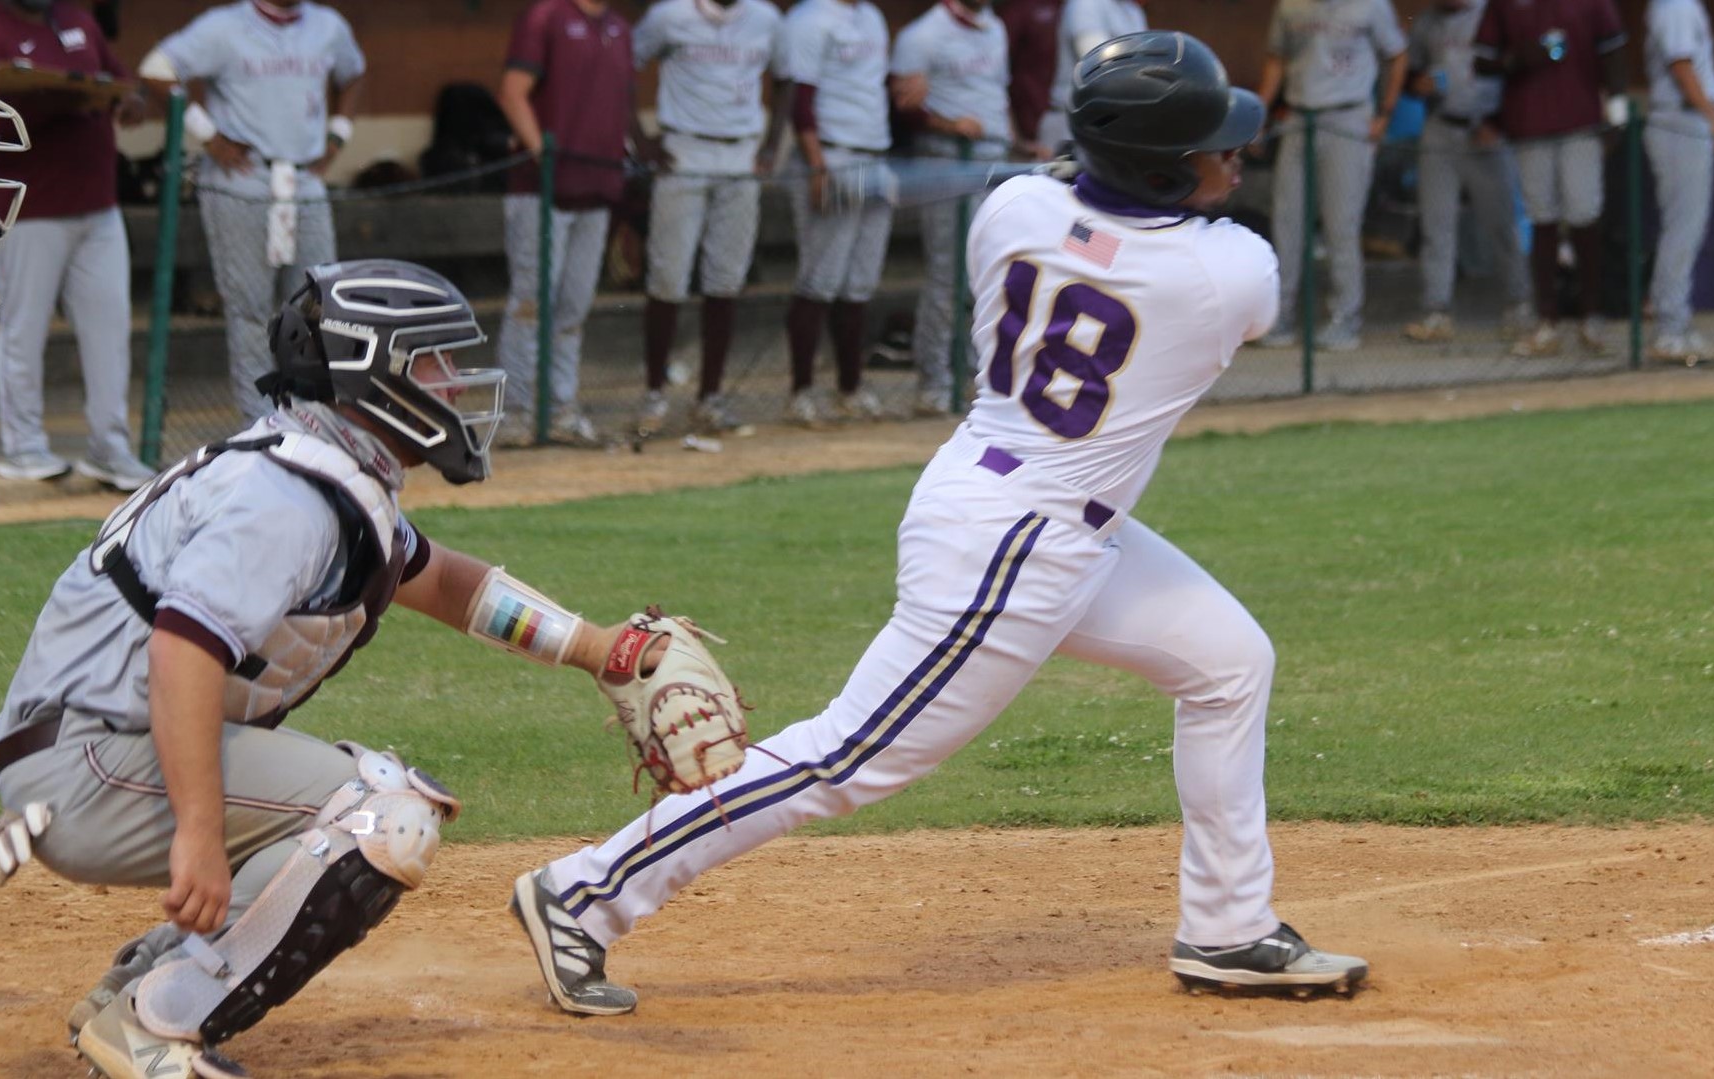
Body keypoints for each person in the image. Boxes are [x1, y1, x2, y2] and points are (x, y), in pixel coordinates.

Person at [508, 32, 1370, 1018]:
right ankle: (584, 890)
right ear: (1160, 165)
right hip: (1015, 544)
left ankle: (1225, 928)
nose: (1234, 157)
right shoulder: (1227, 273)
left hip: (1012, 501)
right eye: (1214, 145)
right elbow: (1160, 230)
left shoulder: (1010, 208)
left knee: (1227, 660)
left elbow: (1064, 196)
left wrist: (1091, 169)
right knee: (845, 758)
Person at [0, 258, 700, 1079]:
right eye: (436, 362)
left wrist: (597, 649)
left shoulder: (329, 474)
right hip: (87, 765)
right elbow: (182, 650)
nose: (457, 384)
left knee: (364, 800)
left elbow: (449, 584)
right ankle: (154, 1022)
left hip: (97, 752)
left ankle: (139, 988)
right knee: (381, 814)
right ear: (375, 371)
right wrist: (200, 838)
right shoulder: (282, 499)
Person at [139, 0, 365, 425]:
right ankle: (261, 423)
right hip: (245, 176)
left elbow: (354, 74)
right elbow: (156, 69)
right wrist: (208, 135)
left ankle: (313, 417)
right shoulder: (225, 26)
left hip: (304, 175)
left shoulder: (328, 24)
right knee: (249, 309)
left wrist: (338, 135)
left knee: (321, 302)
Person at [0, 0, 151, 490]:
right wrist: (50, 102)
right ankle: (24, 447)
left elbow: (122, 81)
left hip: (98, 203)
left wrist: (129, 101)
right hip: (27, 209)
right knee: (24, 329)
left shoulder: (77, 21)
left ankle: (110, 449)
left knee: (108, 330)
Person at [492, 0, 657, 447]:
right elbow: (512, 91)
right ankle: (516, 412)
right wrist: (541, 153)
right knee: (531, 300)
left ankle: (562, 406)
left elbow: (623, 104)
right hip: (541, 189)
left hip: (598, 186)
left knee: (573, 305)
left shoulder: (620, 29)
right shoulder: (545, 15)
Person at [631, 0, 781, 440]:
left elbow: (788, 80)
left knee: (726, 280)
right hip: (684, 150)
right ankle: (654, 395)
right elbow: (627, 66)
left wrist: (771, 145)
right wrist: (640, 141)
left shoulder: (766, 17)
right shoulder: (668, 15)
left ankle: (709, 398)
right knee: (667, 279)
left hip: (741, 153)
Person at [892, 0, 1024, 418]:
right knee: (947, 275)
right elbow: (904, 112)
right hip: (948, 160)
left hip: (991, 158)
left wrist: (1017, 140)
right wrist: (950, 125)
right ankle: (934, 383)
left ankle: (973, 377)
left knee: (987, 276)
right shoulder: (922, 35)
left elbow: (995, 96)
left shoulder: (994, 27)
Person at [1474, 0, 1628, 359]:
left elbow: (1613, 48)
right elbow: (1481, 58)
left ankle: (1592, 318)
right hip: (1529, 124)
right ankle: (1547, 321)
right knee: (1541, 218)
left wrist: (1617, 113)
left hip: (1581, 122)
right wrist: (1515, 59)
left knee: (1584, 214)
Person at [1257, 0, 1408, 351]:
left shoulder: (1372, 5)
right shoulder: (1290, 5)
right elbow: (1276, 58)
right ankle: (1280, 314)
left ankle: (1345, 317)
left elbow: (1397, 54)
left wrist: (1384, 113)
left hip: (1348, 115)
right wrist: (1260, 111)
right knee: (1287, 220)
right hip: (1298, 115)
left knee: (1342, 223)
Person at [777, 0, 895, 426]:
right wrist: (816, 165)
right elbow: (799, 99)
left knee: (860, 281)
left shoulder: (872, 16)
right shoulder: (808, 18)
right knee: (820, 279)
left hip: (874, 154)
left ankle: (850, 387)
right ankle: (800, 392)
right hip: (832, 155)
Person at [1400, 0, 1530, 345]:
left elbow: (1518, 73)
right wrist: (1417, 83)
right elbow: (1408, 74)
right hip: (1441, 126)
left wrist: (1499, 122)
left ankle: (1519, 304)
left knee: (1501, 223)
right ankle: (1436, 310)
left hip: (1485, 130)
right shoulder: (1427, 22)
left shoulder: (1494, 14)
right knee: (1436, 224)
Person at [1639, 0, 1714, 365]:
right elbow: (1681, 66)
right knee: (1682, 227)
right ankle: (1669, 328)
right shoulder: (1675, 5)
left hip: (1685, 121)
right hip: (1680, 120)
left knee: (1686, 228)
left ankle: (1675, 323)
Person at [1038, 0, 1145, 153]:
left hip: (1110, 124)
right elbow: (1102, 66)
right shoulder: (1086, 3)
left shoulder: (1132, 10)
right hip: (1072, 123)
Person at [997, 0, 1060, 162]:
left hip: (1055, 111)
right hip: (1027, 120)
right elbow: (999, 76)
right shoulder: (1017, 9)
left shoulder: (1062, 6)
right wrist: (1018, 136)